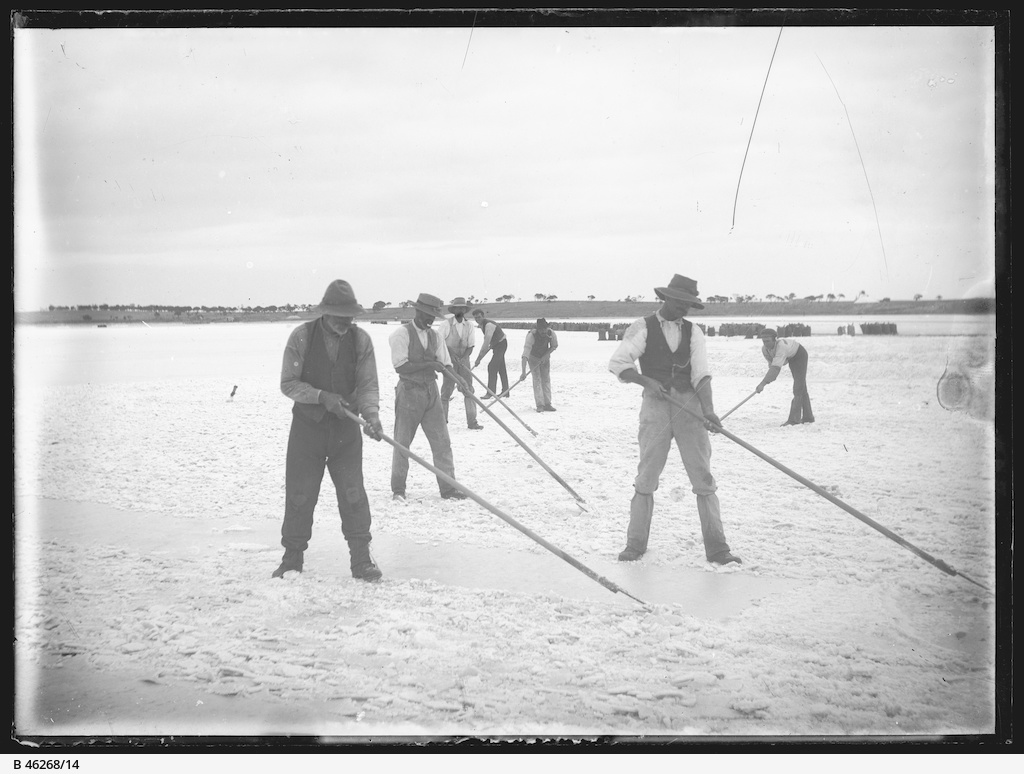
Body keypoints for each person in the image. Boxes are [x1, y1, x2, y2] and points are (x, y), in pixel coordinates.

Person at [608, 273, 741, 566]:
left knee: (703, 477)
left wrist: (708, 411)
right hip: (655, 406)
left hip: (689, 407)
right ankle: (635, 544)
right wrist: (645, 381)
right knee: (646, 476)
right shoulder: (642, 327)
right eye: (680, 303)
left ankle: (718, 548)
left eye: (688, 305)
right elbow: (619, 364)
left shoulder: (695, 333)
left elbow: (701, 374)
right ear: (666, 298)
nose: (684, 309)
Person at [273, 280, 385, 582]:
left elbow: (368, 385)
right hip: (307, 432)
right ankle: (291, 559)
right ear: (326, 313)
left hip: (345, 432)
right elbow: (288, 384)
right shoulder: (302, 337)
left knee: (353, 494)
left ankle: (361, 560)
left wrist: (372, 416)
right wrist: (322, 397)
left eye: (350, 317)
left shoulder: (361, 340)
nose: (346, 323)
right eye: (340, 317)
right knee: (300, 494)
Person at [389, 293, 468, 502]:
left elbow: (446, 363)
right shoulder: (401, 334)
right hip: (408, 392)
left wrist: (459, 379)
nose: (430, 320)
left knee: (442, 442)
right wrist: (430, 365)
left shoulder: (435, 336)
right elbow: (401, 366)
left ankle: (448, 489)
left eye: (433, 316)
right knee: (402, 442)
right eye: (427, 315)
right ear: (417, 311)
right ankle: (398, 489)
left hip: (431, 392)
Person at [438, 297, 482, 430]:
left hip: (464, 362)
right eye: (457, 308)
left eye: (462, 308)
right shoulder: (446, 324)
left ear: (464, 310)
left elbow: (471, 345)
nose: (460, 311)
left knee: (468, 390)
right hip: (449, 362)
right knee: (446, 391)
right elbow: (440, 343)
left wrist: (464, 358)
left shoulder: (469, 325)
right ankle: (442, 422)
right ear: (454, 310)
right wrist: (451, 355)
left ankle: (472, 422)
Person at [755, 329, 815, 425]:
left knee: (798, 388)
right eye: (763, 341)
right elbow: (772, 366)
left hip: (799, 355)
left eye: (768, 341)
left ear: (775, 339)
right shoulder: (764, 349)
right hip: (790, 358)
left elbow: (775, 369)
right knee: (801, 387)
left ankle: (794, 420)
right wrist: (767, 380)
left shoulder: (781, 347)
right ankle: (808, 417)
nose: (765, 344)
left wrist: (763, 383)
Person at [521, 317, 559, 412]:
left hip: (545, 358)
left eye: (544, 328)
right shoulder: (531, 336)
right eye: (541, 329)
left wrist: (545, 356)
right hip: (533, 358)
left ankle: (547, 404)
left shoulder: (551, 333)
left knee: (546, 380)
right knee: (537, 380)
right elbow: (525, 354)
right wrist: (523, 372)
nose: (543, 331)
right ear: (537, 329)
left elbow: (554, 346)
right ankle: (540, 405)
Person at [472, 308, 509, 398]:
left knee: (492, 367)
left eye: (479, 317)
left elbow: (486, 343)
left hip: (501, 344)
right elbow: (489, 343)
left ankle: (490, 393)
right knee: (501, 368)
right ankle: (506, 392)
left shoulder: (488, 325)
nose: (477, 320)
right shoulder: (481, 325)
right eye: (476, 318)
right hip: (496, 345)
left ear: (483, 316)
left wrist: (478, 359)